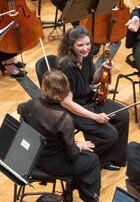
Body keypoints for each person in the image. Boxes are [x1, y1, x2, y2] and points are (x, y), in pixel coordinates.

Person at [18, 71, 107, 202]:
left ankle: (68, 194)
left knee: (82, 159)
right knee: (92, 160)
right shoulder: (64, 119)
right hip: (52, 163)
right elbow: (72, 153)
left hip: (33, 155)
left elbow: (20, 110)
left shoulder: (32, 104)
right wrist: (80, 145)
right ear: (65, 90)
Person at [54, 26, 129, 169]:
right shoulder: (66, 66)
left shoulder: (86, 56)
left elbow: (92, 80)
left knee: (123, 114)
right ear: (71, 46)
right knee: (109, 135)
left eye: (87, 44)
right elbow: (66, 103)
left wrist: (102, 69)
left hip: (89, 99)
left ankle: (112, 158)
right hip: (74, 109)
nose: (85, 48)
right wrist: (95, 117)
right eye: (80, 45)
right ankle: (88, 163)